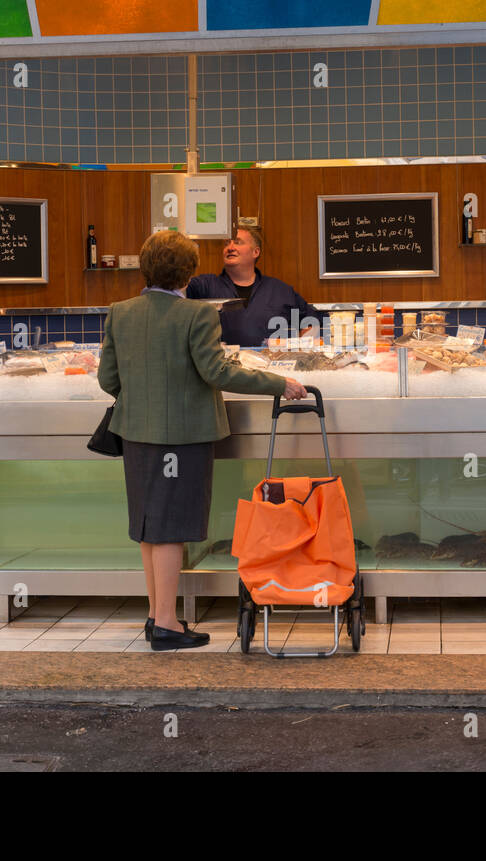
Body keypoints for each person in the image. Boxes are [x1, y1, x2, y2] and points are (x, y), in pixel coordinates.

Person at [97, 230, 307, 651]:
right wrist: (277, 383)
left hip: (135, 433)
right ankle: (169, 625)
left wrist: (145, 398)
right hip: (184, 437)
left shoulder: (120, 312)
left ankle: (158, 617)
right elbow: (219, 373)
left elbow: (108, 379)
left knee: (149, 528)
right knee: (171, 528)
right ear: (187, 272)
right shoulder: (197, 315)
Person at [186, 226, 322, 347]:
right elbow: (173, 291)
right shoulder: (204, 285)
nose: (230, 247)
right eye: (227, 243)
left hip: (268, 370)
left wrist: (302, 347)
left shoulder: (280, 290)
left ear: (255, 252)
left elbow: (311, 321)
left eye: (238, 242)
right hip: (222, 370)